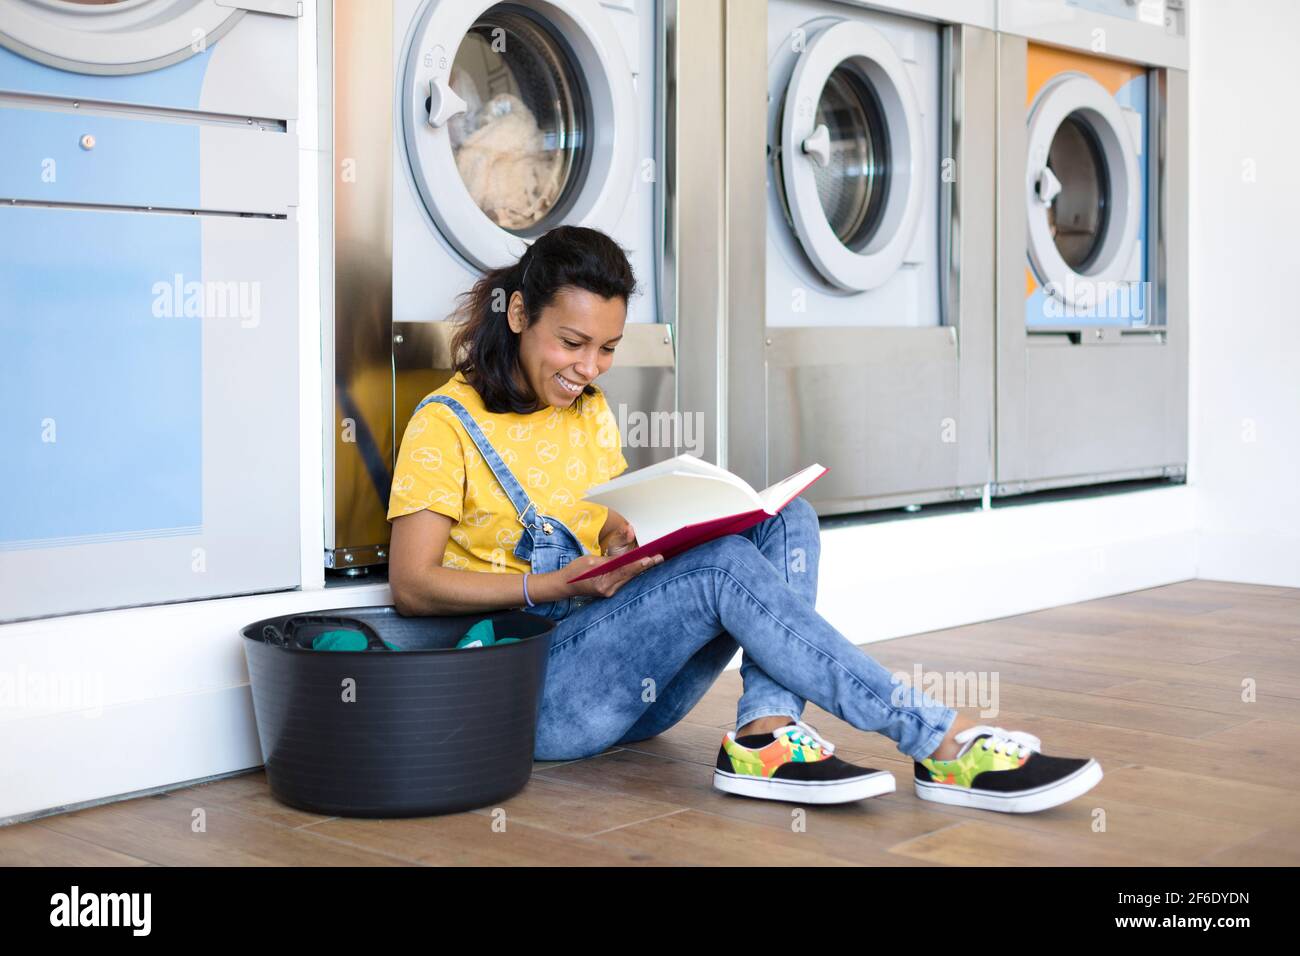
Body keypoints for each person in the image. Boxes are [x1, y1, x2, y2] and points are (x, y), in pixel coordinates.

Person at [387, 225, 1102, 813]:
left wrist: (629, 537)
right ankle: (938, 739)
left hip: (634, 694)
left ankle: (765, 733)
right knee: (722, 570)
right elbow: (413, 587)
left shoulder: (588, 411)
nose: (590, 368)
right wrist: (555, 587)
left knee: (786, 521)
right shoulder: (444, 424)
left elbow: (600, 523)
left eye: (607, 348)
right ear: (518, 317)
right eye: (571, 345)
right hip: (537, 702)